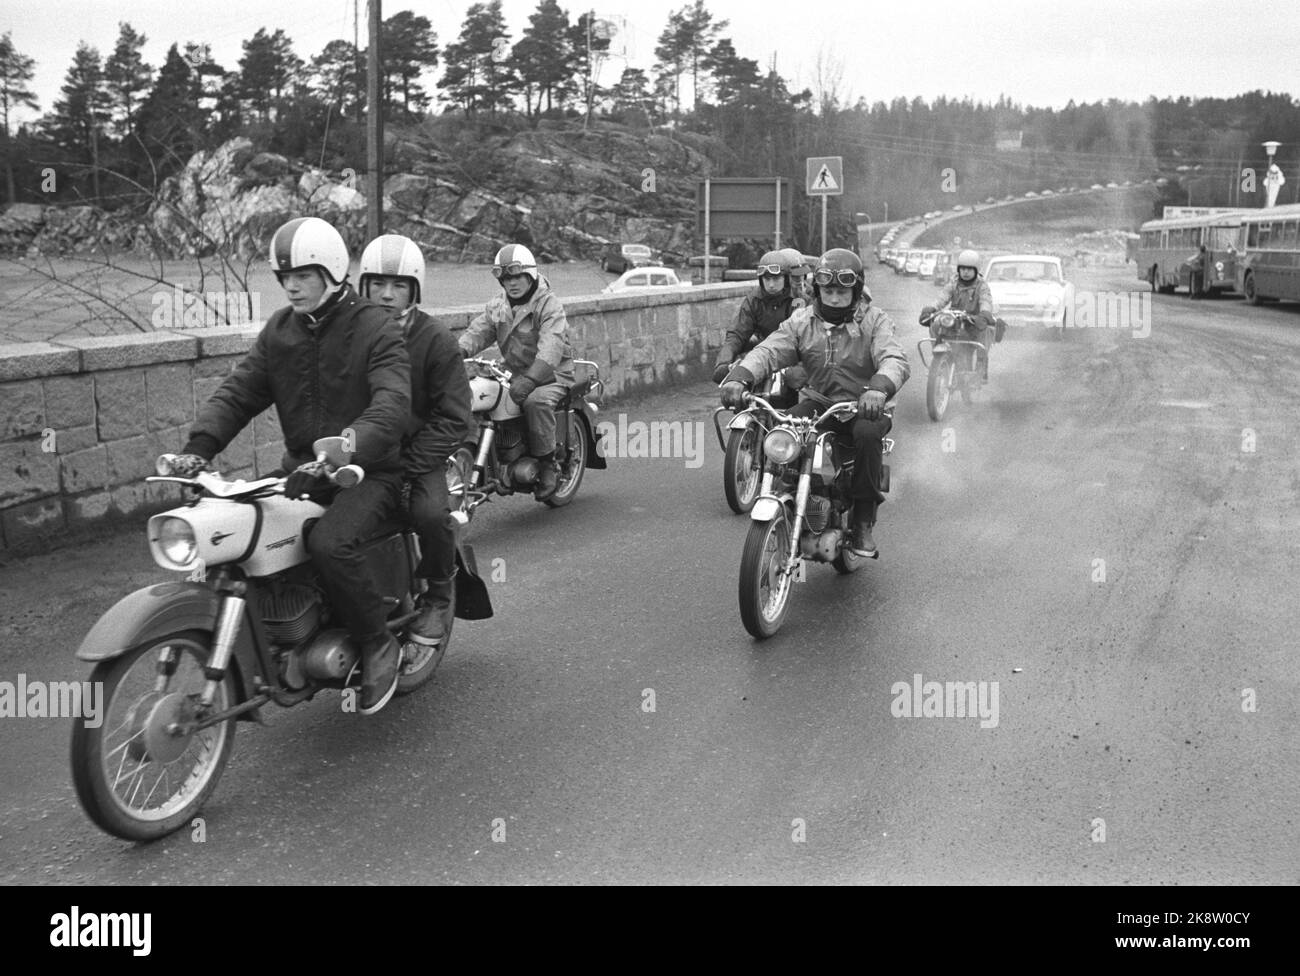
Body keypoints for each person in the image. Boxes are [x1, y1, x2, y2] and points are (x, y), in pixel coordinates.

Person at [169, 216, 412, 715]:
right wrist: (198, 448)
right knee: (242, 533)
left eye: (302, 274)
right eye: (284, 277)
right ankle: (275, 638)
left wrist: (348, 446)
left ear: (332, 269)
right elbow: (240, 392)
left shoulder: (375, 326)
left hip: (368, 470)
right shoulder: (281, 330)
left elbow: (391, 403)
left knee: (330, 542)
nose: (291, 286)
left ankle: (377, 642)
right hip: (301, 469)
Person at [719, 248, 910, 556]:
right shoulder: (802, 321)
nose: (834, 297)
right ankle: (790, 495)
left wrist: (877, 389)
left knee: (866, 435)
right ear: (817, 289)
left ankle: (862, 520)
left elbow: (893, 358)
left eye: (841, 291)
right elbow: (770, 351)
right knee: (783, 429)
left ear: (855, 290)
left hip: (863, 404)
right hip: (820, 400)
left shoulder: (875, 321)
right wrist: (740, 376)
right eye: (828, 290)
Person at [359, 233, 473, 649]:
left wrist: (410, 462)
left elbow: (454, 417)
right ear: (363, 286)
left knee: (428, 512)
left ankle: (440, 593)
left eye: (399, 285)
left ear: (414, 289)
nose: (387, 295)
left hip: (419, 455)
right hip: (365, 455)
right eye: (378, 284)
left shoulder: (435, 340)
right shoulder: (353, 336)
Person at [458, 244, 575, 501]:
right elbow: (478, 333)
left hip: (552, 374)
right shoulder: (498, 306)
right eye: (506, 277)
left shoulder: (548, 305)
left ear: (530, 274)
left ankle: (547, 466)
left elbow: (552, 348)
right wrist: (454, 354)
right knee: (482, 391)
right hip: (513, 371)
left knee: (535, 401)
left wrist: (531, 379)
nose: (512, 283)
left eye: (517, 276)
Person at [711, 249, 808, 405]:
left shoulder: (799, 300)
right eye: (766, 279)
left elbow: (803, 337)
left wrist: (802, 367)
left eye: (776, 279)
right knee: (740, 393)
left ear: (786, 279)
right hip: (763, 354)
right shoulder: (753, 300)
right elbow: (737, 333)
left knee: (797, 403)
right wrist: (723, 362)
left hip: (791, 356)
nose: (771, 284)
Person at [920, 248, 996, 379]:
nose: (965, 272)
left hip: (974, 321)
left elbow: (986, 300)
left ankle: (980, 365)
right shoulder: (954, 283)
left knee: (986, 331)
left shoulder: (982, 285)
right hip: (955, 319)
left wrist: (984, 314)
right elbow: (942, 297)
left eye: (969, 269)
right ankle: (939, 360)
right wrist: (931, 309)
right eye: (963, 269)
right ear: (959, 269)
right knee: (935, 325)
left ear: (976, 270)